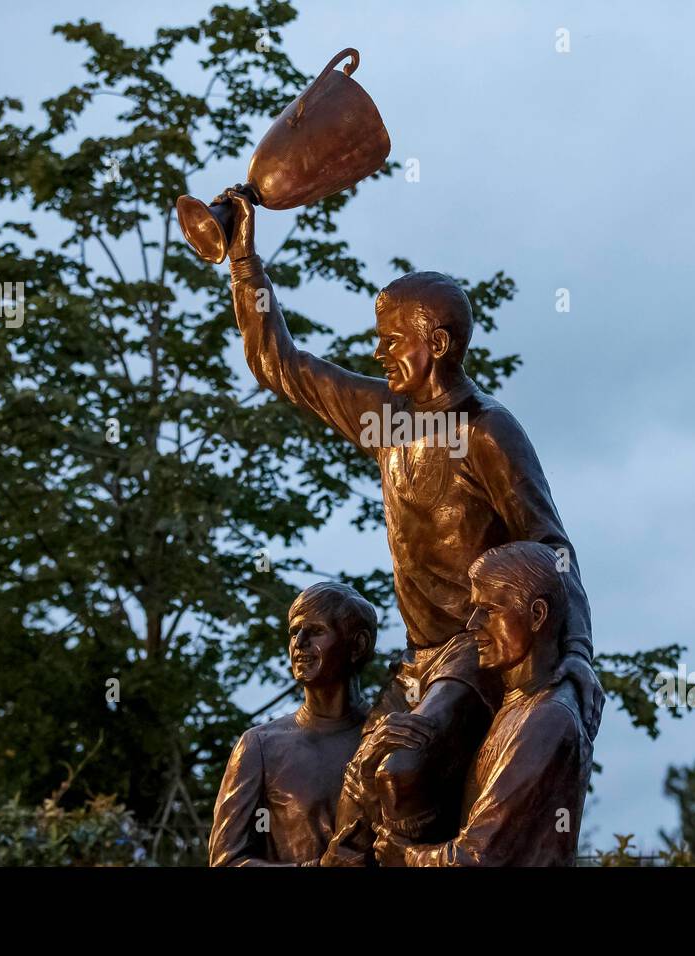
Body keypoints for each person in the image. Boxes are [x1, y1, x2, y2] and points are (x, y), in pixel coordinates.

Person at [217, 187, 602, 860]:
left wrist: (576, 659)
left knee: (403, 775)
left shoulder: (486, 432)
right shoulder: (386, 418)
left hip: (476, 652)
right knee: (352, 814)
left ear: (440, 343)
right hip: (417, 661)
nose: (378, 353)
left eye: (393, 340)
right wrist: (243, 259)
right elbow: (281, 365)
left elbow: (551, 548)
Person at [373, 542, 593, 866]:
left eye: (489, 610)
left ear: (537, 614)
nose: (473, 624)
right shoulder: (515, 707)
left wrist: (405, 857)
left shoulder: (547, 719)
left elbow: (477, 856)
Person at [208, 582, 376, 866]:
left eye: (316, 631)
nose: (299, 643)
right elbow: (226, 861)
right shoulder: (260, 747)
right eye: (294, 632)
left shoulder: (386, 735)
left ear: (358, 645)